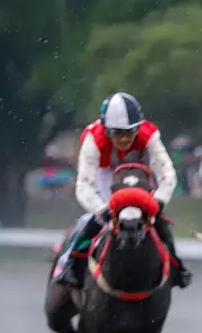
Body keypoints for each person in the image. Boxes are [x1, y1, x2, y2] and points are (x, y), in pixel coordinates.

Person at [56, 93, 189, 288]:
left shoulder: (149, 135)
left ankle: (177, 268)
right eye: (118, 132)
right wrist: (102, 209)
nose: (125, 138)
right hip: (105, 172)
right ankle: (71, 264)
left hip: (136, 172)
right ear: (107, 130)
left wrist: (158, 202)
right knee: (97, 220)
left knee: (157, 222)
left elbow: (167, 175)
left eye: (130, 131)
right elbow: (84, 186)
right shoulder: (93, 140)